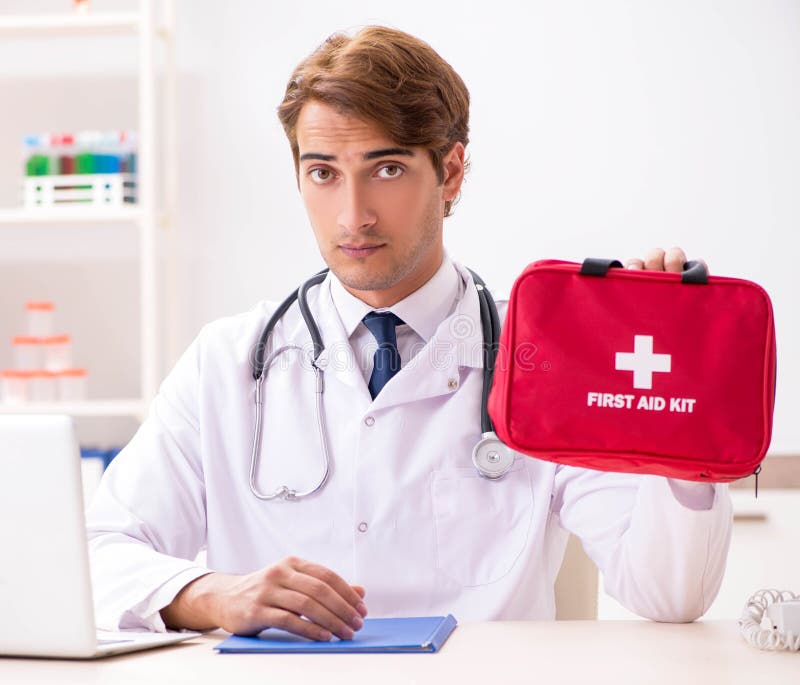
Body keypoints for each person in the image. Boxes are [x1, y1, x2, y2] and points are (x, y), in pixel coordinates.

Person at [86, 26, 732, 642]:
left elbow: (669, 595)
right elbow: (96, 551)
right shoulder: (227, 362)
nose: (353, 214)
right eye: (323, 172)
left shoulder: (546, 357)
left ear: (450, 172)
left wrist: (676, 410)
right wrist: (209, 595)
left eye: (386, 169)